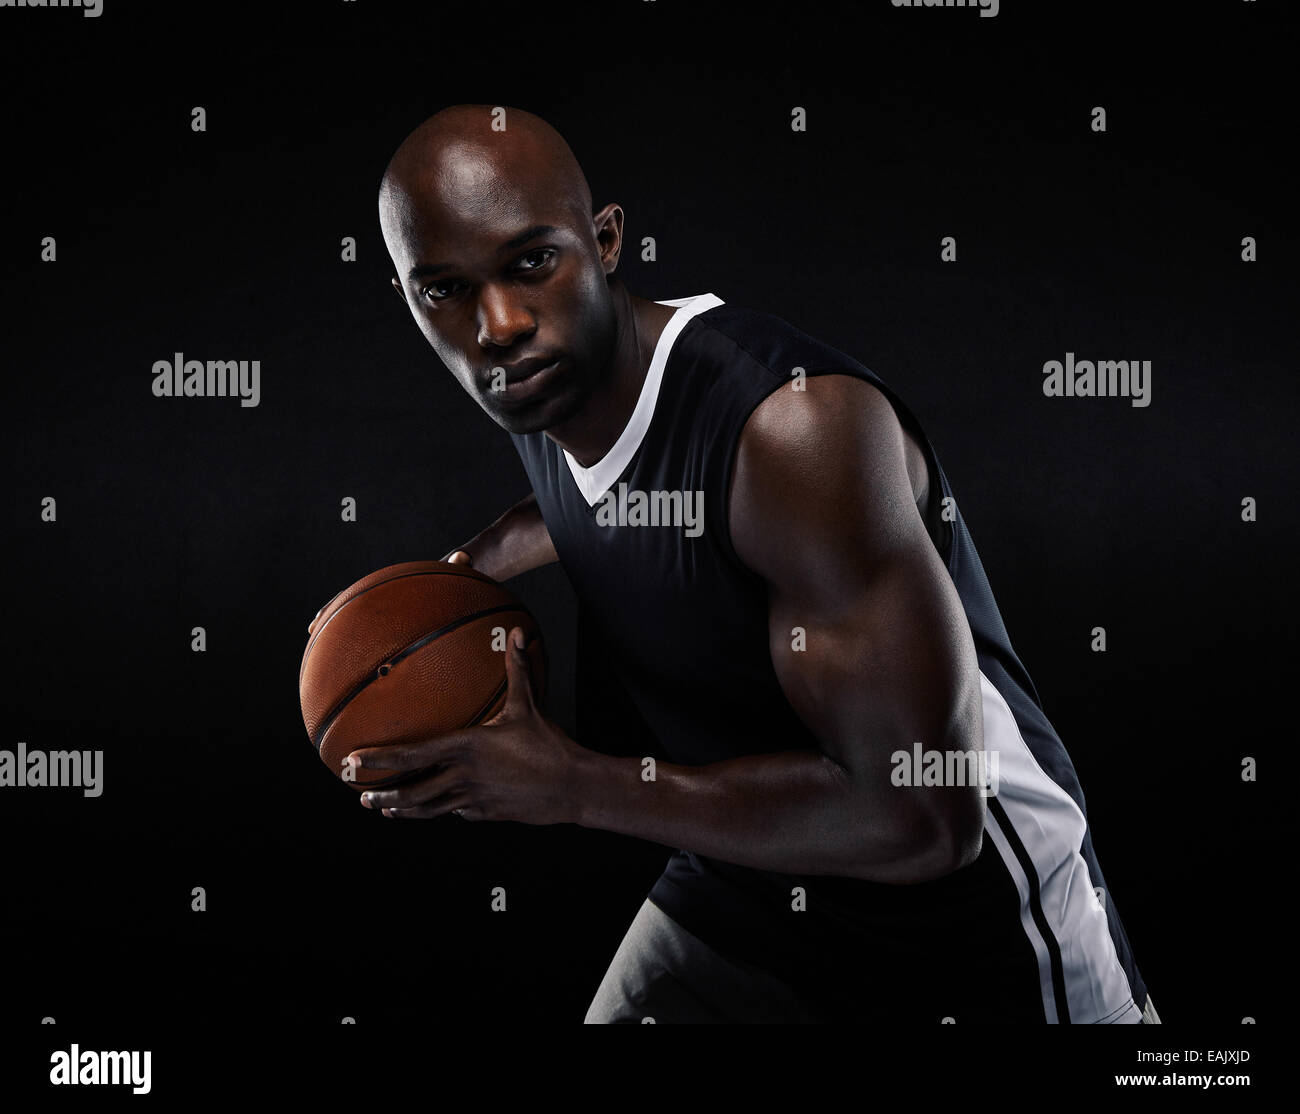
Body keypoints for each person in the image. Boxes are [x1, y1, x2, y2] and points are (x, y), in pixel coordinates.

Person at [352, 103, 1155, 1024]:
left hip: (968, 913)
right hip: (756, 869)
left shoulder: (794, 435)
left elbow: (924, 818)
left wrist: (570, 784)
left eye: (532, 261)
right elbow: (618, 488)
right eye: (444, 289)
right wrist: (470, 565)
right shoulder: (549, 384)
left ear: (605, 241)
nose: (497, 323)